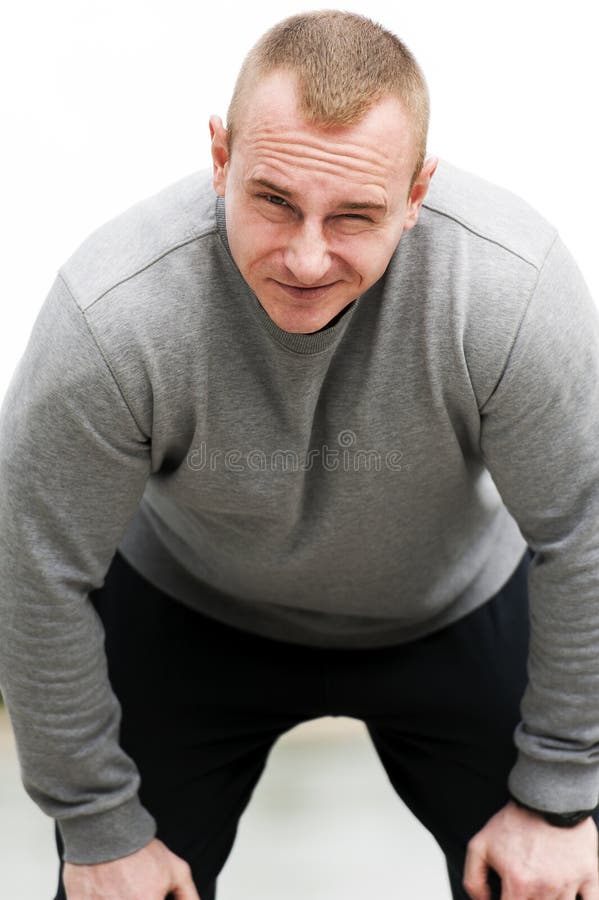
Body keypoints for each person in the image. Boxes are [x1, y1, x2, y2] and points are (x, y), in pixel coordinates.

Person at [1, 9, 599, 900]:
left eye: (354, 214)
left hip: (453, 610)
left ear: (417, 193)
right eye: (275, 200)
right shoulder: (116, 316)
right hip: (189, 612)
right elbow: (35, 566)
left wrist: (557, 801)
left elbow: (585, 531)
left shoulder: (507, 294)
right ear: (220, 157)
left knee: (562, 880)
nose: (308, 258)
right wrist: (95, 826)